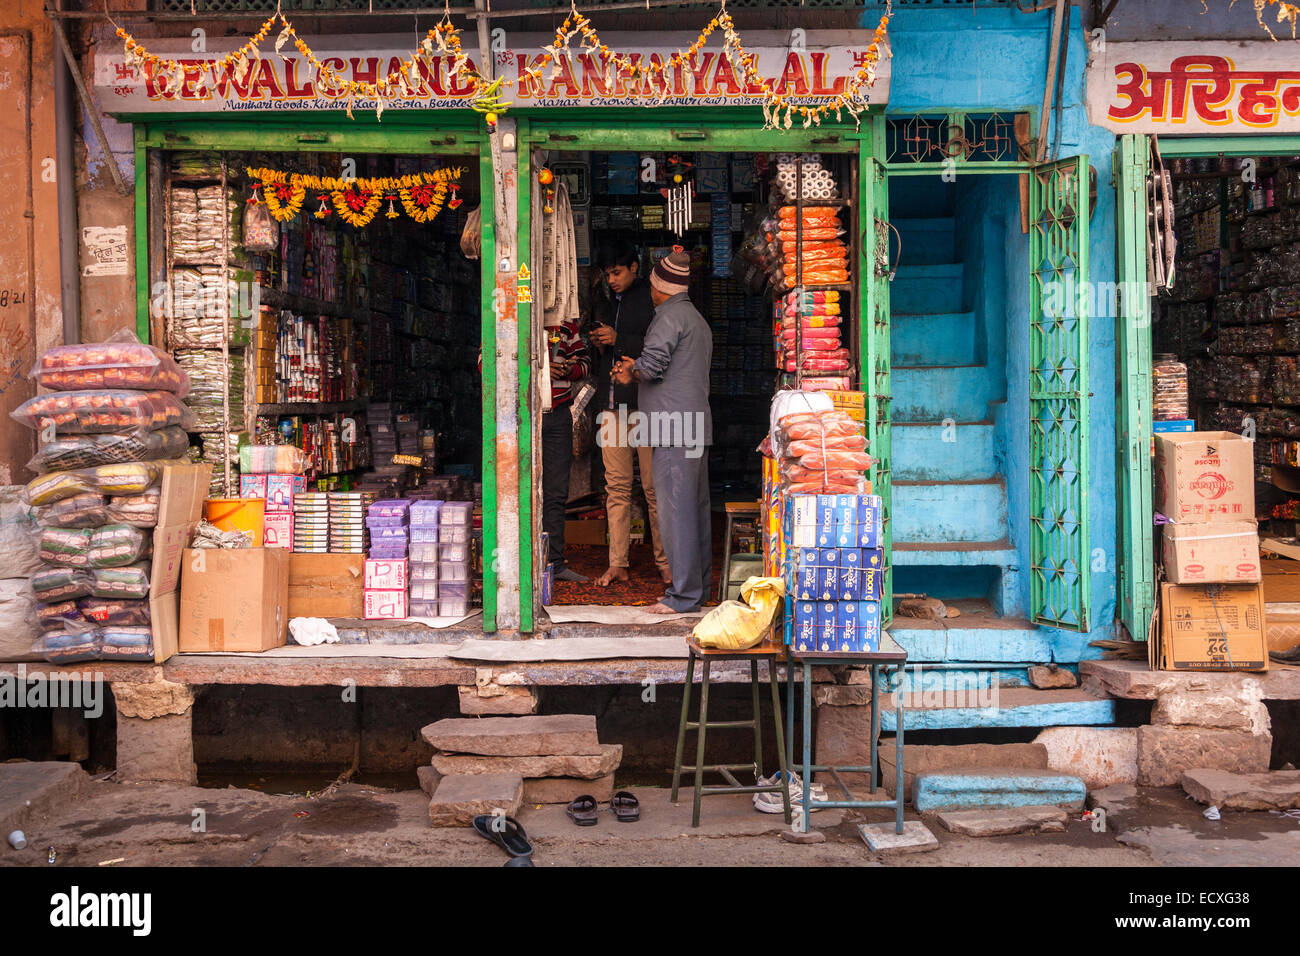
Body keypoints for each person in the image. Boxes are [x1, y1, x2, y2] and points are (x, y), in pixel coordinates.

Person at [612, 249, 712, 614]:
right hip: (694, 426)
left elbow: (652, 366)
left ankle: (683, 596)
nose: (650, 291)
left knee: (675, 513)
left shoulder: (668, 317)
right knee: (694, 511)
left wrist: (630, 371)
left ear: (662, 287)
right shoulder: (695, 319)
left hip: (672, 427)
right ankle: (696, 589)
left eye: (653, 284)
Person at [588, 240, 670, 589]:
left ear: (635, 267)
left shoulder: (650, 301)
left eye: (617, 272)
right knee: (616, 488)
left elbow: (659, 349)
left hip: (644, 405)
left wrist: (619, 338)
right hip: (611, 406)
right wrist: (598, 341)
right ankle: (617, 562)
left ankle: (665, 563)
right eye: (607, 274)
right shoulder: (604, 301)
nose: (612, 279)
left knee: (653, 489)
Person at [542, 315, 592, 583]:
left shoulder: (566, 326)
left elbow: (584, 365)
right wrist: (539, 368)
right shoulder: (507, 316)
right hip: (519, 415)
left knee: (556, 491)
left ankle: (554, 562)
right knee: (518, 491)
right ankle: (520, 561)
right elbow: (485, 364)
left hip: (559, 414)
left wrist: (564, 370)